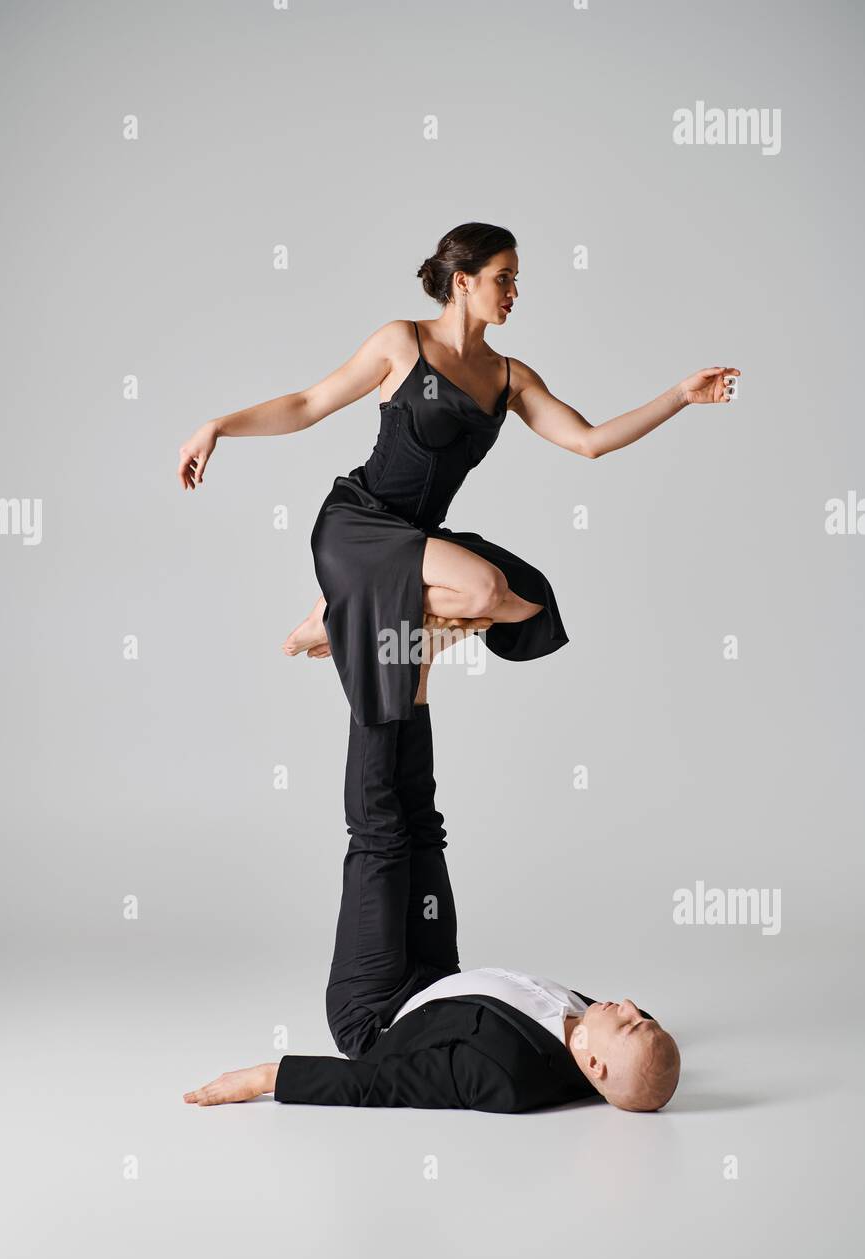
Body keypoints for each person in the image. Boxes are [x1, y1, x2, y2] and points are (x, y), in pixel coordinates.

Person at [177, 221, 740, 726]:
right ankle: (344, 612)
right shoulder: (403, 342)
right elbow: (306, 404)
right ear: (464, 281)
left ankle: (340, 612)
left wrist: (679, 397)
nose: (515, 294)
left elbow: (589, 443)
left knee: (528, 601)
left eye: (517, 280)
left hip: (419, 538)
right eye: (505, 279)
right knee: (486, 589)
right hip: (361, 524)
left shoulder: (509, 376)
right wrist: (217, 426)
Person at [183, 655, 681, 1115]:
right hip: (436, 975)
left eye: (630, 1023)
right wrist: (637, 1036)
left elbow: (381, 1084)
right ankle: (413, 661)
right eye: (643, 1018)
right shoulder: (602, 1041)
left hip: (376, 1007)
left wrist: (265, 1077)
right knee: (424, 830)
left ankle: (369, 662)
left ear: (594, 1066)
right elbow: (640, 1057)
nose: (633, 1007)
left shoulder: (502, 1079)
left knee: (379, 836)